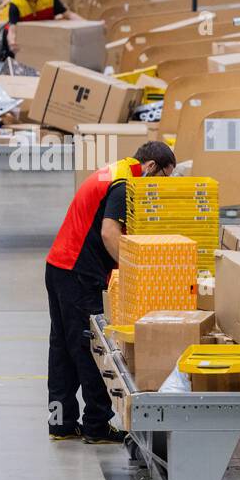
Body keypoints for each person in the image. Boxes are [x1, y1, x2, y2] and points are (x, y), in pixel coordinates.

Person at [46, 141, 177, 443]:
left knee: (62, 349)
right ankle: (96, 425)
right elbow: (109, 232)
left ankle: (61, 423)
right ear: (151, 167)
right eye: (163, 179)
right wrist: (136, 272)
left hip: (59, 266)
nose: (161, 187)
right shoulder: (124, 183)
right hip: (79, 273)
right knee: (91, 347)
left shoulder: (114, 170)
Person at [0, 0, 82, 61]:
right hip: (18, 41)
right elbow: (12, 30)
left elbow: (69, 15)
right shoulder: (16, 4)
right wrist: (11, 42)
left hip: (36, 39)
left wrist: (92, 24)